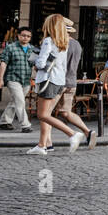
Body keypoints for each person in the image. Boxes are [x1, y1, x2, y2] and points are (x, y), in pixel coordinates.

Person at [28, 14, 84, 155]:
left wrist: (34, 61)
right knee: (46, 114)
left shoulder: (48, 40)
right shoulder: (63, 42)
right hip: (59, 81)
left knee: (43, 115)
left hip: (48, 80)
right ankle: (42, 145)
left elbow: (41, 63)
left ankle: (72, 134)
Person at [55, 19, 98, 148]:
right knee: (65, 112)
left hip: (58, 81)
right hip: (71, 81)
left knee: (45, 113)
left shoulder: (60, 43)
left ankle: (46, 143)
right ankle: (87, 131)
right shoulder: (77, 44)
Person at [0, 27, 36, 132]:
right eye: (23, 35)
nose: (25, 38)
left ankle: (4, 122)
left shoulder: (33, 49)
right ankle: (25, 125)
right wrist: (0, 79)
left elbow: (35, 66)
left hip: (26, 80)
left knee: (15, 101)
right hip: (13, 78)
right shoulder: (11, 48)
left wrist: (35, 78)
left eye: (28, 36)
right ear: (18, 36)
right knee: (20, 101)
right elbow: (3, 63)